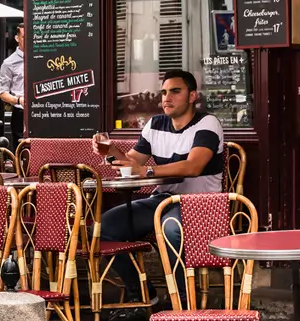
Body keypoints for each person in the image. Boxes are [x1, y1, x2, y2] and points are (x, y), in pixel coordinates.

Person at [93, 71, 223, 290]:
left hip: (199, 203)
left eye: (175, 91)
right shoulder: (155, 124)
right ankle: (142, 294)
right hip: (162, 201)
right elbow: (131, 164)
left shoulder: (207, 123)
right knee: (104, 227)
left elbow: (193, 166)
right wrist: (110, 152)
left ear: (192, 96)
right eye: (163, 92)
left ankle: (182, 302)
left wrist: (147, 171)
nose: (166, 98)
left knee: (171, 228)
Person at [0, 22, 26, 142]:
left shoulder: (42, 58)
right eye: (25, 37)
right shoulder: (9, 63)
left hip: (42, 112)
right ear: (17, 38)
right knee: (22, 151)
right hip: (20, 113)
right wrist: (19, 100)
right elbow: (3, 93)